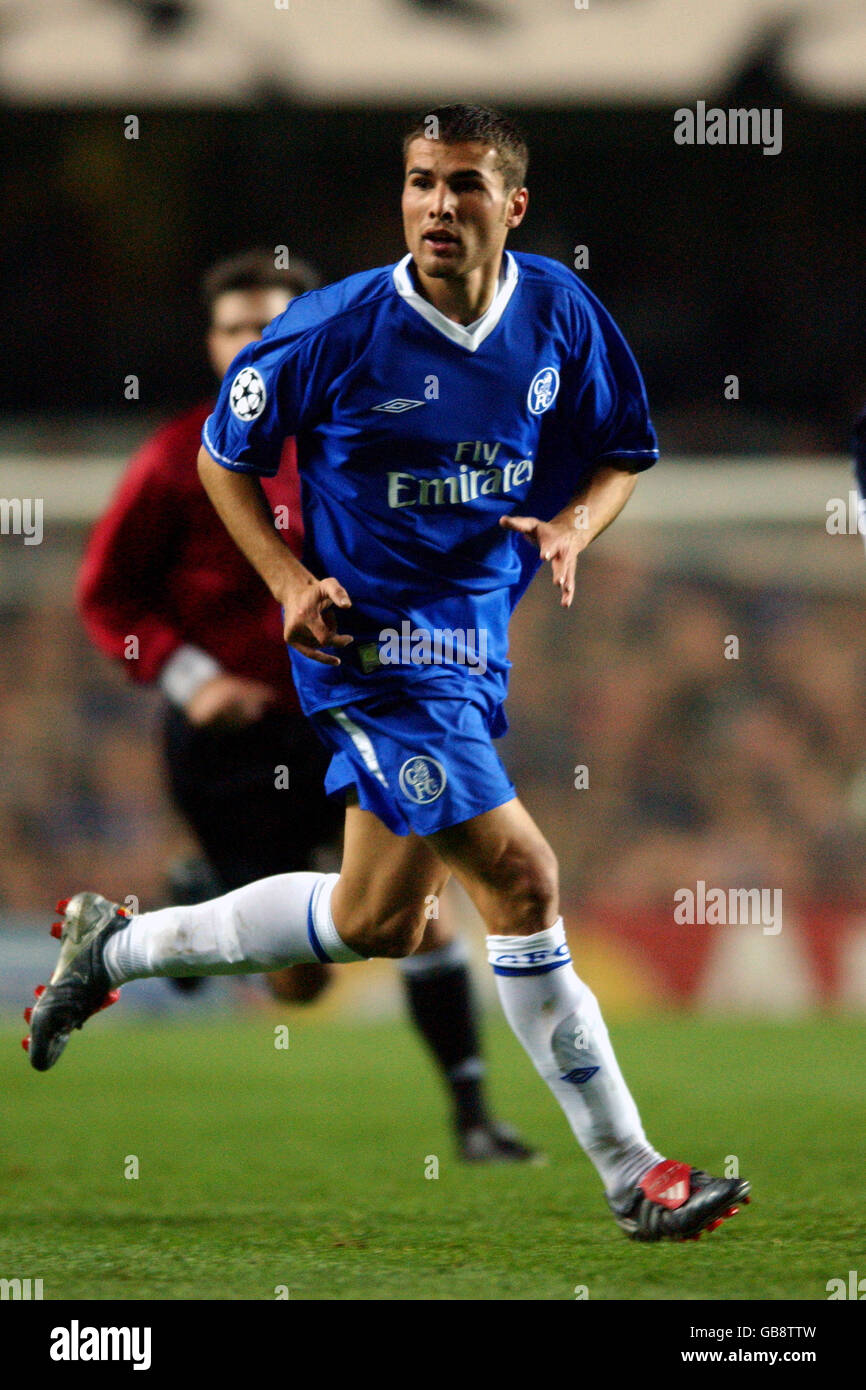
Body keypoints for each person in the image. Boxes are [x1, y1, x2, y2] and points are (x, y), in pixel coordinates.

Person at [27, 105, 750, 1240]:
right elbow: (227, 457)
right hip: (370, 656)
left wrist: (572, 527)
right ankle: (635, 1175)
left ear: (510, 206)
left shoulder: (559, 310)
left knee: (379, 922)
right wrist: (283, 578)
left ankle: (112, 946)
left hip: (469, 648)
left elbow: (618, 453)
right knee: (520, 878)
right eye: (420, 183)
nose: (437, 206)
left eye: (463, 186)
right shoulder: (337, 327)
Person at [72, 247, 539, 1164]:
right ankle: (201, 906)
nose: (254, 342)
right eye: (235, 328)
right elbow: (107, 597)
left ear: (312, 332)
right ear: (211, 345)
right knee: (299, 986)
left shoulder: (365, 435)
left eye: (270, 326)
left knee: (420, 909)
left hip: (368, 708)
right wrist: (189, 680)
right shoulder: (178, 461)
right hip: (238, 742)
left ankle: (474, 1115)